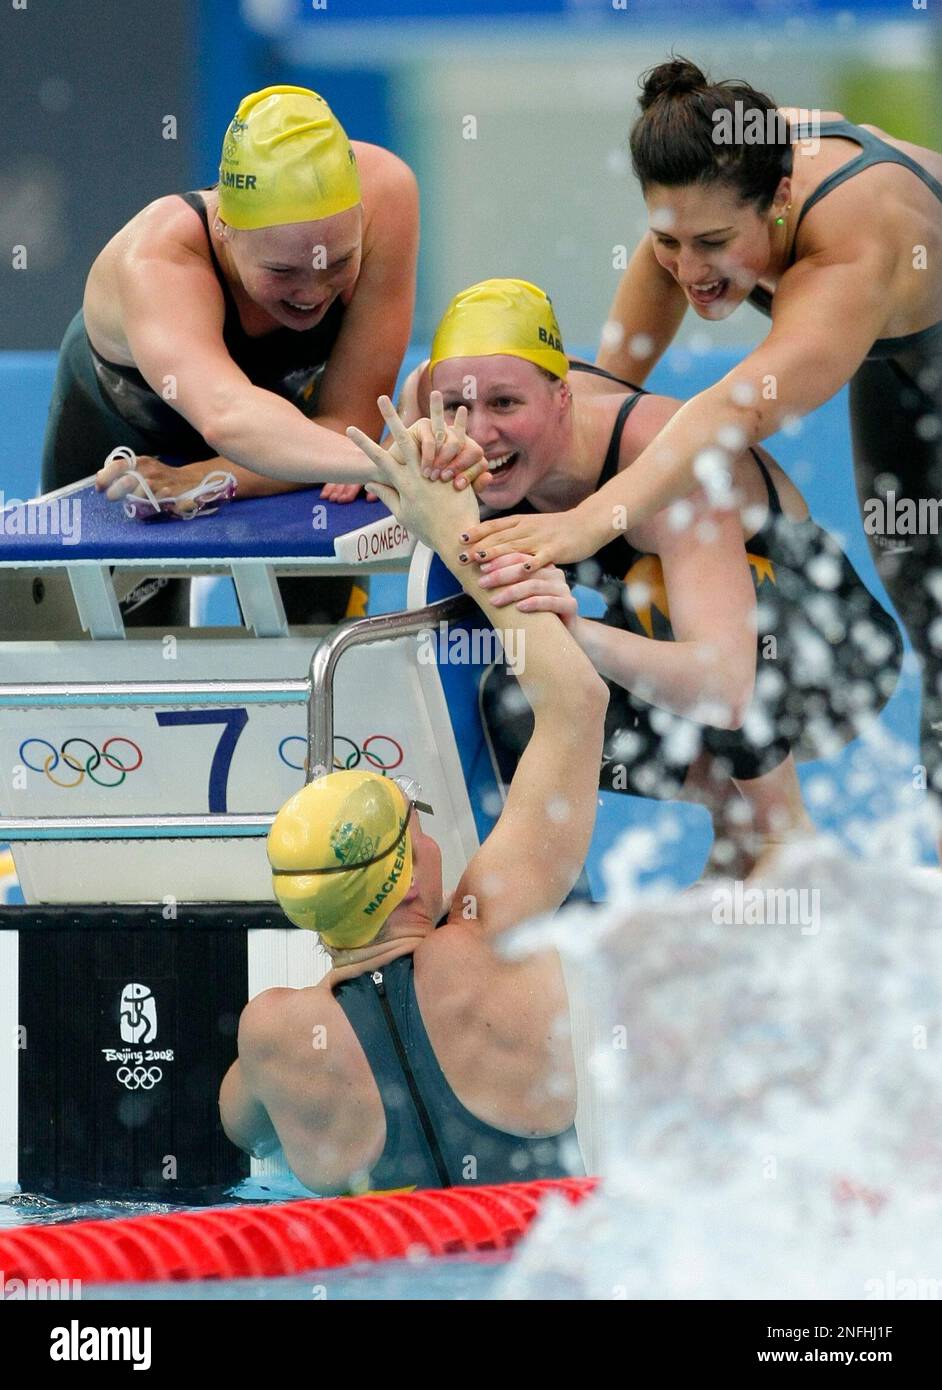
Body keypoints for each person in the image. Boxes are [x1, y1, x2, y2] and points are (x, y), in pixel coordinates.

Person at [457, 60, 942, 844]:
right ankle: (752, 835)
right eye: (667, 243)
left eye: (713, 245)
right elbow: (613, 393)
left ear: (781, 203)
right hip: (909, 354)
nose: (689, 270)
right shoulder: (717, 176)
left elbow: (724, 414)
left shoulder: (851, 256)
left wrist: (581, 525)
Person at [219, 395, 608, 1192]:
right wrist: (456, 530)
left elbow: (243, 1129)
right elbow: (576, 707)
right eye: (416, 827)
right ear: (404, 880)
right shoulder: (488, 945)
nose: (434, 841)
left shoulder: (274, 1034)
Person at [401, 278, 902, 876]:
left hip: (831, 660)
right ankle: (733, 821)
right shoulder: (441, 401)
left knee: (653, 599)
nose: (478, 432)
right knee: (515, 703)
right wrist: (405, 455)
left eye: (506, 405)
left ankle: (784, 838)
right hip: (689, 645)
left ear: (562, 398)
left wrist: (576, 636)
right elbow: (404, 444)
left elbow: (726, 689)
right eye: (458, 406)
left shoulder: (667, 469)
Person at [42, 85, 420, 625]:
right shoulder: (158, 258)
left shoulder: (390, 196)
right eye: (283, 272)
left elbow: (345, 423)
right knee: (122, 672)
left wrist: (210, 478)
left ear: (363, 218)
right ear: (224, 227)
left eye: (338, 262)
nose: (312, 293)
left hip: (288, 440)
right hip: (123, 442)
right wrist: (395, 465)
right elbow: (231, 418)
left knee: (316, 645)